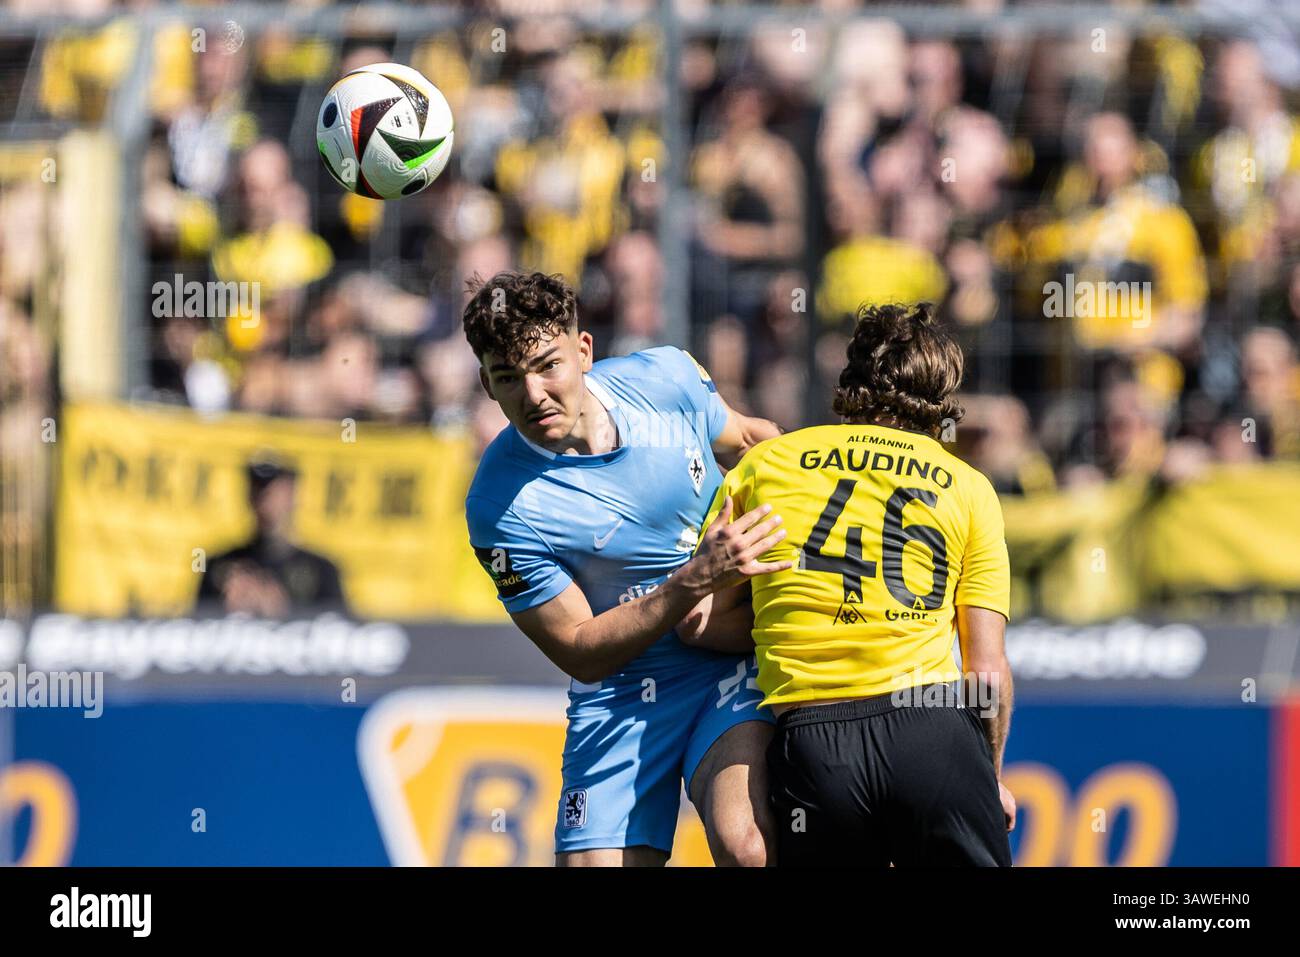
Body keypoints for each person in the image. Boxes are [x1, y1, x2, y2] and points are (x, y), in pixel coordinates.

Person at [462, 271, 788, 866]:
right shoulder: (498, 505)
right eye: (509, 378)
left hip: (734, 661)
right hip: (623, 693)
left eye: (547, 365)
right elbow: (581, 649)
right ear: (487, 384)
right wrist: (694, 580)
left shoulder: (664, 377)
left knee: (746, 846)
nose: (533, 394)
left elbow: (751, 441)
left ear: (583, 351)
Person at [700, 301, 1016, 866]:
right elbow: (985, 673)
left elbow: (699, 621)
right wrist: (988, 778)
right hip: (936, 731)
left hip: (817, 740)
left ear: (850, 378)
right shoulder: (970, 489)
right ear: (942, 396)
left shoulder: (765, 464)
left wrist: (792, 620)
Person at [197, 457, 346, 616]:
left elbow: (338, 631)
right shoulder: (219, 566)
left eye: (273, 491)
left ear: (293, 494)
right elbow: (193, 628)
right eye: (256, 489)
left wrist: (281, 611)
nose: (264, 500)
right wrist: (224, 611)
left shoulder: (322, 571)